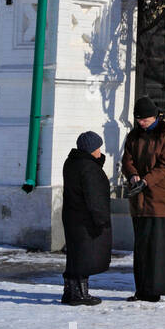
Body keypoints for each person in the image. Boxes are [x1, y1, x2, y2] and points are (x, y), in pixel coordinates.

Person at [121, 97, 165, 303]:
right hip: (139, 199)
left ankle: (154, 290)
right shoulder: (134, 136)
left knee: (156, 246)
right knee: (141, 246)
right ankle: (142, 289)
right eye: (138, 119)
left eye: (144, 119)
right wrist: (133, 175)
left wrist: (146, 181)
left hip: (158, 198)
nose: (140, 122)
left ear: (154, 117)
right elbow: (126, 160)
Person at [60, 131, 112, 306]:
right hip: (86, 219)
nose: (100, 151)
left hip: (72, 216)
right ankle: (80, 294)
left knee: (75, 255)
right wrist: (102, 220)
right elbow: (95, 197)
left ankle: (70, 292)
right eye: (98, 148)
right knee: (84, 256)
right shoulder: (89, 168)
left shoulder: (72, 162)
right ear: (91, 149)